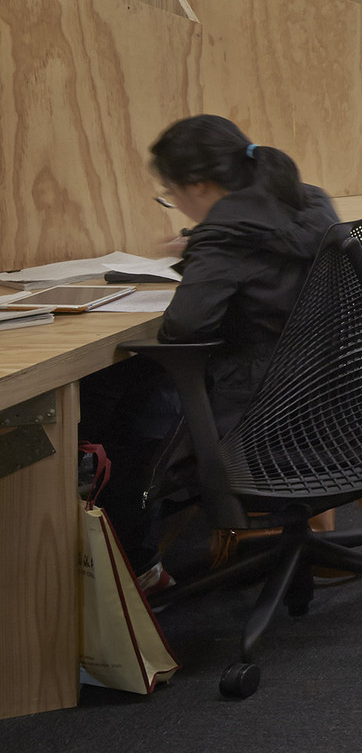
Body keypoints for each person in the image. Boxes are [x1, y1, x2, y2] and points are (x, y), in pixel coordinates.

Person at [79, 114, 338, 593]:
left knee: (124, 400)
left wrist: (204, 257)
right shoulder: (310, 203)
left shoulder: (225, 236)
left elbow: (183, 329)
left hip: (260, 414)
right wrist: (204, 249)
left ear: (198, 186)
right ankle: (139, 566)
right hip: (329, 400)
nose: (175, 204)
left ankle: (131, 572)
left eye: (171, 195)